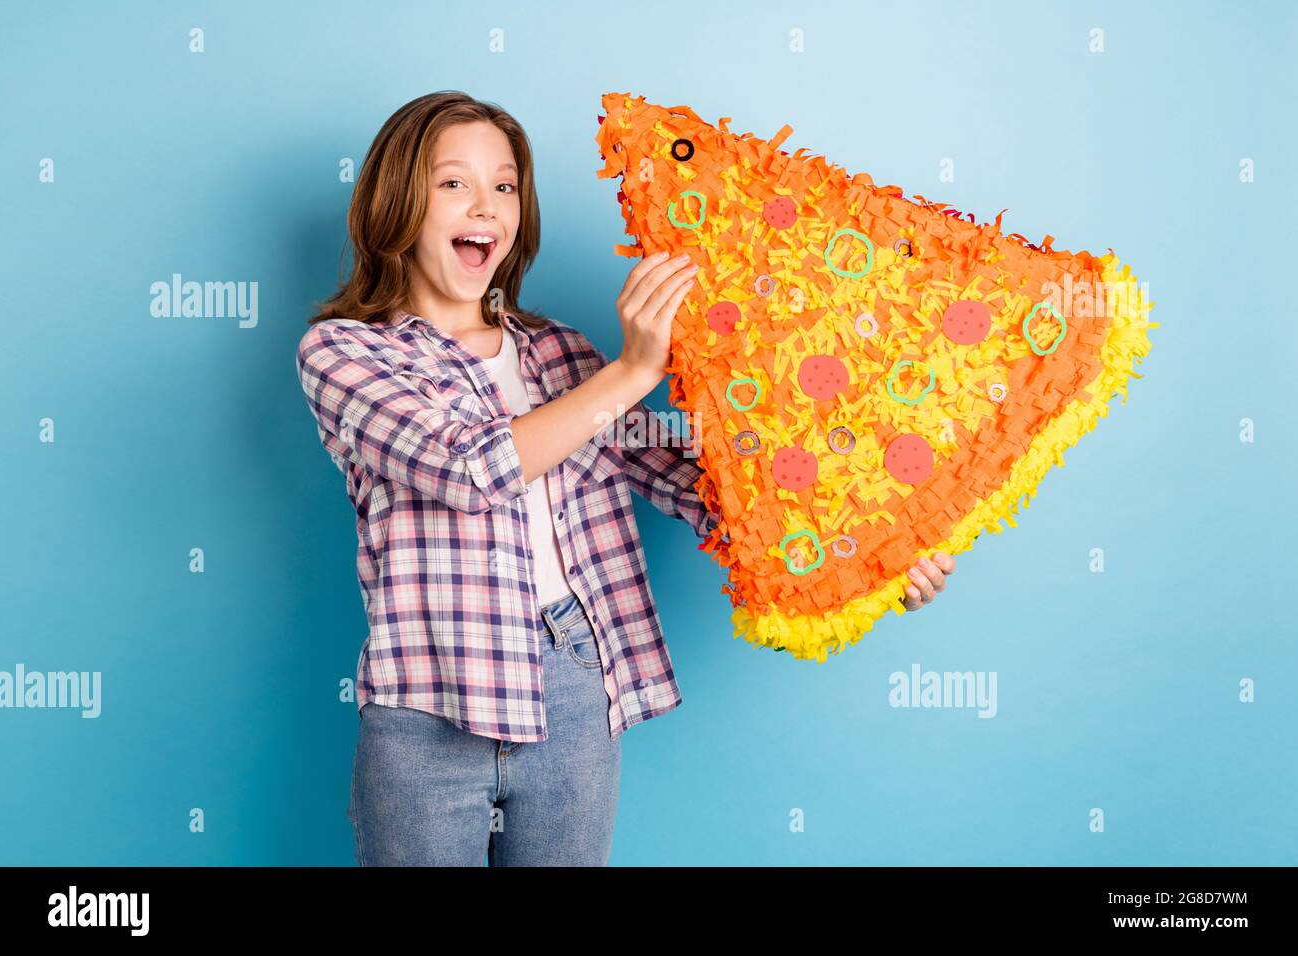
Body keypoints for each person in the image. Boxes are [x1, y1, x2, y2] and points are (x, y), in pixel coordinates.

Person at [295, 90, 954, 866]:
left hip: (576, 682)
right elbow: (468, 469)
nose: (487, 206)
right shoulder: (344, 353)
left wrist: (874, 556)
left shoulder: (564, 356)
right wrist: (637, 368)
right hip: (430, 703)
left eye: (504, 186)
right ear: (397, 202)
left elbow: (699, 485)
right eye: (454, 184)